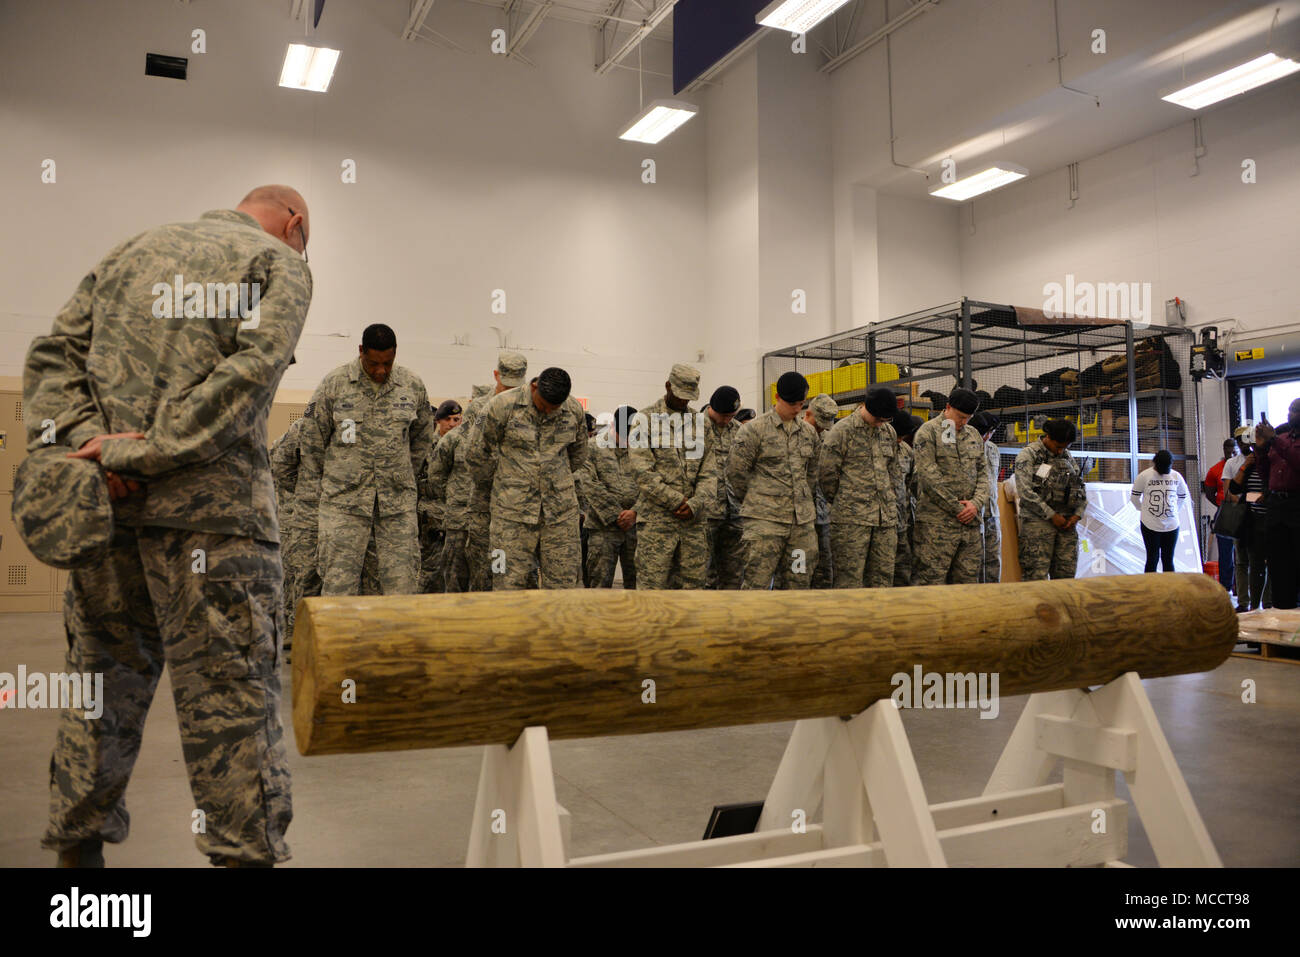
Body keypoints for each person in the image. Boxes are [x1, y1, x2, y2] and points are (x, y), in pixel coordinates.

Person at [24, 184, 312, 867]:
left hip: (109, 515)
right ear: (294, 223)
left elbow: (51, 357)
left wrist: (96, 446)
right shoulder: (279, 264)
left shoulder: (129, 251)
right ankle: (242, 858)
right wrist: (140, 450)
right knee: (231, 708)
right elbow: (246, 380)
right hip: (215, 531)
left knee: (99, 691)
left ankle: (79, 874)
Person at [296, 324, 434, 596]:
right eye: (373, 363)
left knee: (400, 588)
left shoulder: (412, 385)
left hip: (396, 508)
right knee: (339, 589)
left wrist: (400, 475)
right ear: (361, 351)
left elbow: (421, 441)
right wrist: (320, 494)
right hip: (344, 505)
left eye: (388, 363)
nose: (381, 370)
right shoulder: (334, 384)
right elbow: (312, 444)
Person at [465, 367, 588, 589]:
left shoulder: (573, 410)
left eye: (555, 408)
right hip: (510, 518)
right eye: (544, 406)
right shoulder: (501, 406)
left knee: (564, 585)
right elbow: (476, 454)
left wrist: (553, 480)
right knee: (504, 583)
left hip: (560, 516)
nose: (549, 412)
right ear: (534, 387)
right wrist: (504, 487)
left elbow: (578, 455)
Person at [628, 364, 717, 590]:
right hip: (657, 523)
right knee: (652, 588)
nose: (683, 402)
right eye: (680, 396)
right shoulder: (644, 420)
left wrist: (695, 504)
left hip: (693, 524)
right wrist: (677, 500)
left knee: (693, 588)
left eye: (689, 398)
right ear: (668, 386)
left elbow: (710, 471)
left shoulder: (702, 423)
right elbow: (643, 472)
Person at [728, 372, 819, 589]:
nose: (797, 409)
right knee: (756, 583)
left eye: (801, 403)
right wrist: (757, 500)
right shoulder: (753, 431)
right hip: (764, 523)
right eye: (791, 404)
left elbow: (812, 473)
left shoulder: (808, 433)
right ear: (777, 397)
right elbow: (736, 473)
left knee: (799, 581)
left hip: (801, 525)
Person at [460, 352, 529, 591]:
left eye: (516, 386)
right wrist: (495, 480)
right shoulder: (479, 408)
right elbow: (469, 453)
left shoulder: (528, 409)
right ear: (496, 375)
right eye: (506, 385)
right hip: (485, 502)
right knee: (482, 568)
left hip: (518, 506)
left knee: (515, 571)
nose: (510, 391)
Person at [820, 386, 901, 589]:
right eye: (878, 419)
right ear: (867, 408)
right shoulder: (842, 431)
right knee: (849, 581)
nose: (881, 423)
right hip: (851, 522)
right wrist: (846, 501)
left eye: (885, 420)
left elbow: (894, 472)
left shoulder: (888, 432)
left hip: (885, 521)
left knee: (882, 580)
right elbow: (826, 475)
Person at [910, 388, 989, 586]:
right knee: (931, 583)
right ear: (947, 407)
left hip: (969, 525)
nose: (963, 422)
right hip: (936, 526)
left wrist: (975, 504)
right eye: (960, 417)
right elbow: (929, 478)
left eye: (968, 418)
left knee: (967, 584)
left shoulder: (973, 435)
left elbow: (984, 474)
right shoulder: (928, 433)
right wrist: (958, 508)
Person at [1014, 419, 1087, 581]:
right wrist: (1052, 515)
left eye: (1065, 447)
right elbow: (1025, 492)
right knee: (1035, 576)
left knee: (1066, 577)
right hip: (1038, 526)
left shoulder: (1067, 457)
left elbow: (1080, 487)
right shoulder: (1029, 455)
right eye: (1058, 446)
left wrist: (1077, 514)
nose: (1061, 451)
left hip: (1066, 525)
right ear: (1048, 437)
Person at [579, 405, 639, 588]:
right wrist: (617, 515)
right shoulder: (593, 448)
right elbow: (589, 484)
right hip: (602, 528)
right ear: (613, 426)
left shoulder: (643, 448)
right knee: (599, 583)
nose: (627, 442)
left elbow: (651, 484)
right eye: (623, 437)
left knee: (638, 584)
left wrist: (635, 512)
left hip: (636, 526)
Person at [1254, 398, 1300, 610]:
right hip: (1276, 505)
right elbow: (1264, 473)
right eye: (1289, 409)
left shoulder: (1280, 441)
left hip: (1296, 504)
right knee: (1278, 563)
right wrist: (1262, 450)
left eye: (1294, 410)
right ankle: (1283, 609)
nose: (1289, 414)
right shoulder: (1280, 438)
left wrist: (1275, 441)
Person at [416, 399, 462, 593]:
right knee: (431, 571)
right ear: (438, 421)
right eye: (448, 419)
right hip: (432, 517)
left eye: (457, 419)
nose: (452, 424)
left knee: (452, 572)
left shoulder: (462, 445)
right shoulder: (427, 446)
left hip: (454, 516)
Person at [702, 386, 745, 589]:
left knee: (735, 574)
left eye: (732, 415)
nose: (728, 419)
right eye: (724, 415)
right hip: (706, 513)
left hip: (734, 512)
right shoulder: (694, 429)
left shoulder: (739, 430)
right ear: (713, 408)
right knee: (704, 574)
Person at [1224, 426, 1270, 611]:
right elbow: (1232, 492)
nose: (1245, 444)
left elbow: (1268, 494)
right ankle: (1247, 603)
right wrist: (1249, 497)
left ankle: (1267, 603)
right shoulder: (1239, 464)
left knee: (1265, 563)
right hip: (1245, 519)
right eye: (1240, 440)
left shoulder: (1268, 463)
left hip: (1266, 519)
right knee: (1244, 562)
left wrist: (1249, 498)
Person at [270, 417, 307, 639]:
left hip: (333, 510)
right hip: (295, 513)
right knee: (295, 571)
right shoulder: (301, 428)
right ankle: (290, 629)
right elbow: (281, 468)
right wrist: (303, 492)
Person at [1132, 449, 1190, 573]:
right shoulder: (1144, 476)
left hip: (1172, 526)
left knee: (1168, 559)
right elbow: (1134, 498)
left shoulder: (1176, 476)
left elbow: (1183, 496)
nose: (1165, 471)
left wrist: (1174, 511)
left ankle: (1169, 590)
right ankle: (1151, 590)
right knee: (1152, 558)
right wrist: (1144, 510)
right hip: (1150, 525)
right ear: (1155, 464)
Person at [804, 394, 840, 588]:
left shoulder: (829, 438)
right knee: (799, 568)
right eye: (818, 422)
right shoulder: (794, 435)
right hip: (799, 518)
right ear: (808, 413)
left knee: (826, 567)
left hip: (824, 515)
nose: (820, 428)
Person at [1201, 438, 1238, 598]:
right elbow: (1209, 493)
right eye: (1227, 448)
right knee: (1225, 552)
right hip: (1224, 511)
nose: (1230, 451)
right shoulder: (1215, 470)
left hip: (1243, 510)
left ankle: (1241, 587)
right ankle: (1226, 587)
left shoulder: (1243, 467)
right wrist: (1221, 505)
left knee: (1242, 553)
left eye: (1233, 448)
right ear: (1223, 450)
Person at [892, 412, 921, 586]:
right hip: (876, 521)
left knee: (903, 567)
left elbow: (913, 483)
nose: (900, 440)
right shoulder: (879, 447)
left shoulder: (906, 451)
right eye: (898, 435)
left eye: (904, 437)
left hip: (902, 520)